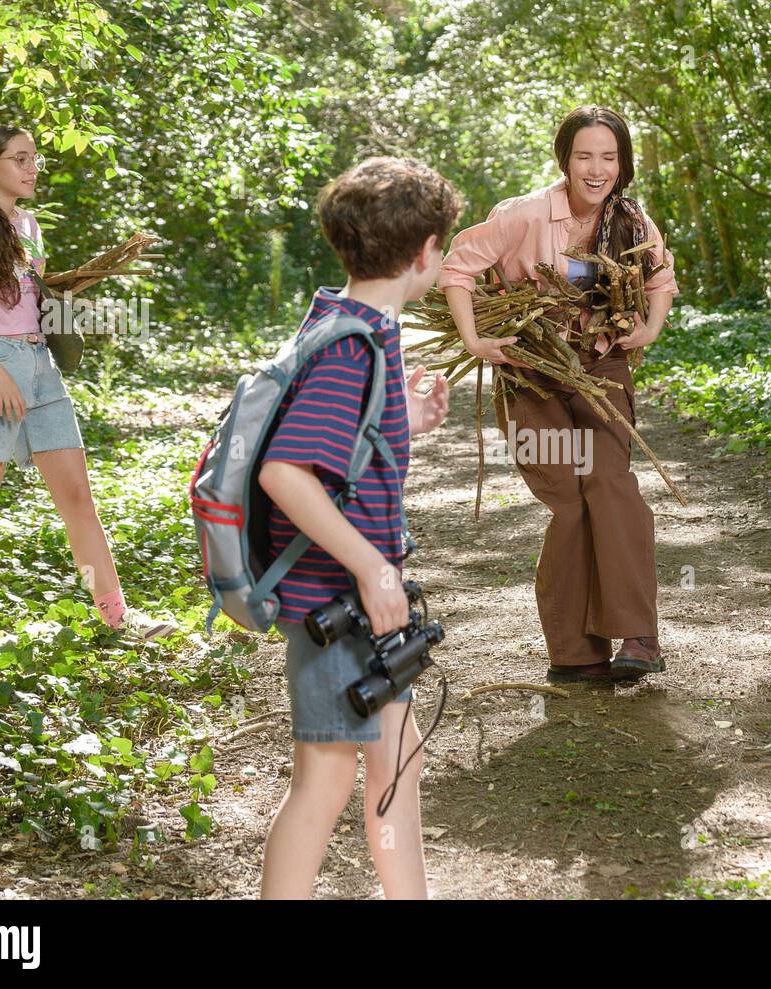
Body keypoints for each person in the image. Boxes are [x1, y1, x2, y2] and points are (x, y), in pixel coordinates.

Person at [257, 157, 457, 899]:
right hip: (333, 604)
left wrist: (408, 422)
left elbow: (343, 452)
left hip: (361, 607)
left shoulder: (349, 323)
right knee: (326, 779)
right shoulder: (352, 349)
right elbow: (287, 472)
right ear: (425, 251)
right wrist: (374, 568)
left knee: (398, 763)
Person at [438, 105, 679, 684]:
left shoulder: (631, 220)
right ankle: (575, 653)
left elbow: (659, 280)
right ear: (564, 160)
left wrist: (649, 327)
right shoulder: (520, 215)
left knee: (610, 481)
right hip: (531, 371)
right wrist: (474, 338)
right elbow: (457, 269)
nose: (596, 170)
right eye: (584, 157)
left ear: (622, 163)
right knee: (569, 503)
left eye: (609, 157)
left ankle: (638, 636)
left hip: (602, 367)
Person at [0, 124, 176, 652]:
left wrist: (64, 306)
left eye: (34, 158)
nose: (32, 167)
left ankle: (116, 616)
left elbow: (24, 299)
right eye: (19, 159)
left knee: (78, 497)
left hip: (39, 365)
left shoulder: (28, 224)